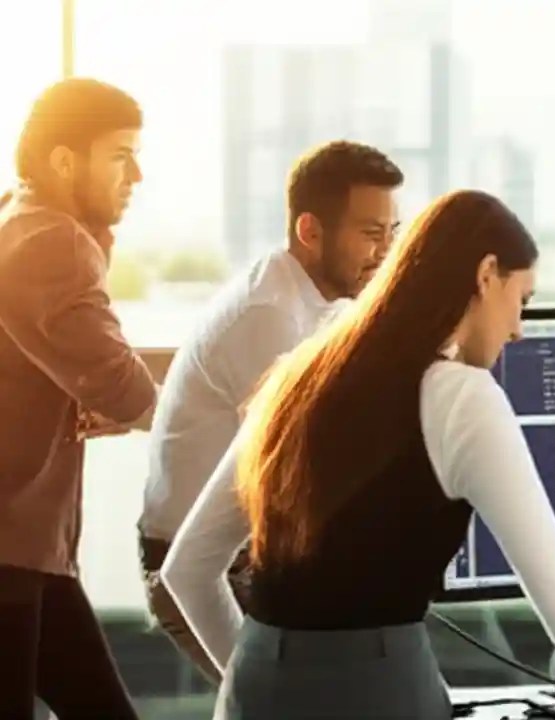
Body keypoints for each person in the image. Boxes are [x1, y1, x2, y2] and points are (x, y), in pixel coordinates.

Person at [160, 190, 555, 719]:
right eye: (520, 300)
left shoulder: (300, 377)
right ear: (486, 275)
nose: (517, 329)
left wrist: (257, 676)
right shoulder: (460, 397)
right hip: (377, 690)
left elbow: (187, 568)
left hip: (253, 692)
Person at [137, 140, 403, 683]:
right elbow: (294, 473)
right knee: (282, 702)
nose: (385, 252)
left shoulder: (321, 301)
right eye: (371, 235)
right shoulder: (269, 317)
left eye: (392, 234)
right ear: (310, 231)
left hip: (244, 558)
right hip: (200, 568)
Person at [0, 78, 156, 720]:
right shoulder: (51, 242)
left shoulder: (16, 220)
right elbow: (126, 389)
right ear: (64, 161)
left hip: (33, 551)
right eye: (120, 154)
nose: (137, 174)